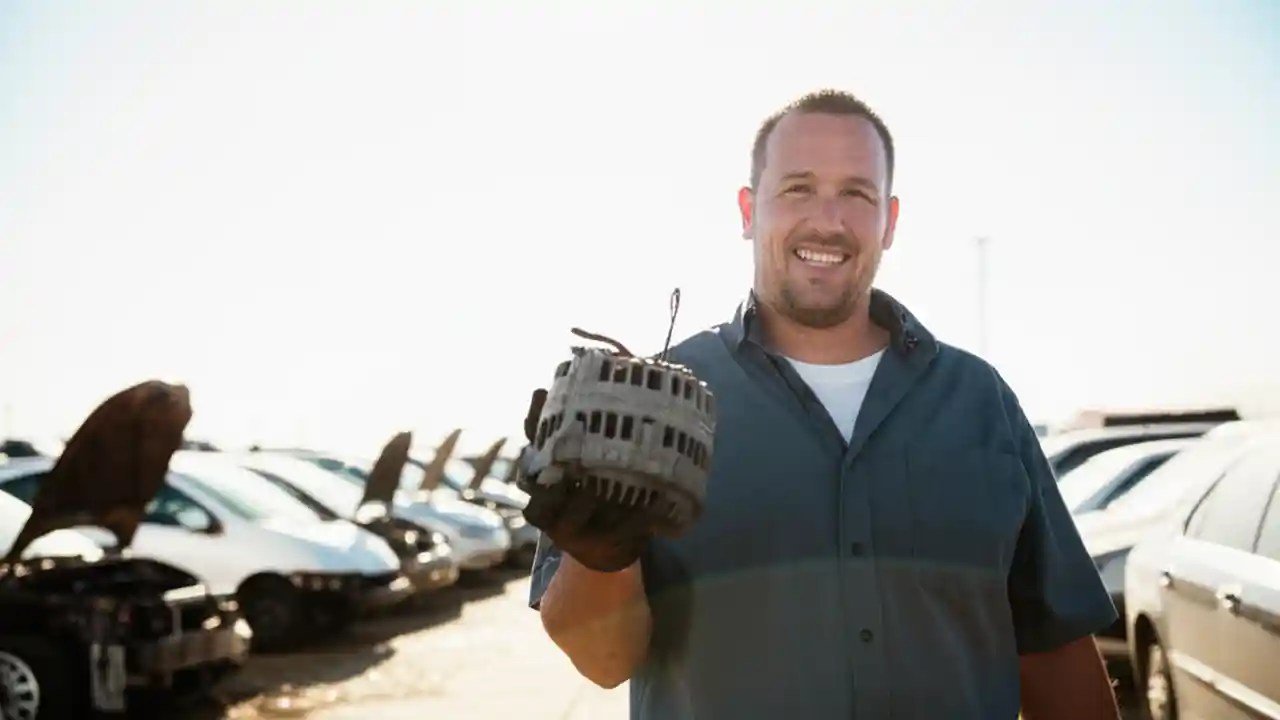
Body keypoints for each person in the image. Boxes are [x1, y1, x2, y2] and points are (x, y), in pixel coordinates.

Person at [520, 89, 1121, 719]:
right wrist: (600, 557)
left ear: (888, 222)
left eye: (856, 194)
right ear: (749, 210)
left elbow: (1056, 656)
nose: (827, 221)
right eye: (798, 189)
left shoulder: (980, 402)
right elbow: (603, 662)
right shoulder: (644, 407)